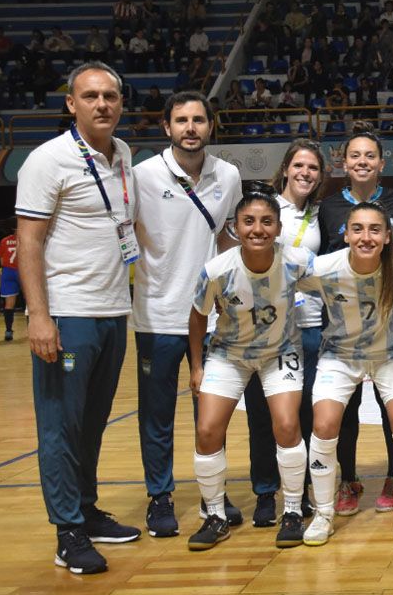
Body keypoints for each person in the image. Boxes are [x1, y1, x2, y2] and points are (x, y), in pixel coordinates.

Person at [16, 62, 142, 574]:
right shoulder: (48, 160)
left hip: (114, 311)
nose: (102, 104)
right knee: (60, 427)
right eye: (90, 96)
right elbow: (29, 241)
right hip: (68, 313)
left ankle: (86, 510)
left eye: (110, 95)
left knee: (91, 423)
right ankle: (67, 530)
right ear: (71, 104)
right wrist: (40, 317)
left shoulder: (124, 153)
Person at [132, 91, 241, 538]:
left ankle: (212, 493)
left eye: (198, 120)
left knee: (212, 414)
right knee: (156, 414)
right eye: (181, 120)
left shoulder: (228, 174)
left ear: (210, 126)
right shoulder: (141, 176)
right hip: (156, 316)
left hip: (213, 320)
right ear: (166, 127)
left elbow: (226, 238)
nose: (190, 128)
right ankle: (160, 497)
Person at [186, 185, 316, 551]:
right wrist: (196, 366)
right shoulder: (217, 269)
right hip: (228, 354)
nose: (257, 229)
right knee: (208, 429)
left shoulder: (297, 261)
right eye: (248, 222)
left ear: (277, 228)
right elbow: (197, 318)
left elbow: (335, 284)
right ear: (236, 227)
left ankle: (291, 511)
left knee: (288, 425)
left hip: (280, 352)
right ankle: (214, 515)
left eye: (266, 222)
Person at [296, 203, 393, 543]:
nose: (366, 237)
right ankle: (323, 513)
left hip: (389, 353)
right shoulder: (322, 267)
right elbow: (280, 277)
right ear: (346, 234)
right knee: (322, 424)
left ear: (387, 236)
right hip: (340, 354)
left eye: (375, 230)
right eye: (359, 229)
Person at [237, 139, 326, 529]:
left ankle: (299, 490)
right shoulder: (267, 209)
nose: (305, 173)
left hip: (308, 326)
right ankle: (264, 492)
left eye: (313, 168)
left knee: (303, 413)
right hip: (264, 329)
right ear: (286, 168)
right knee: (261, 414)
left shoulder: (318, 213)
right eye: (299, 166)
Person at [316, 129, 393, 516]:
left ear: (381, 164)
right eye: (355, 156)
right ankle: (347, 478)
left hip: (388, 319)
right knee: (345, 407)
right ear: (344, 162)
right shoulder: (329, 206)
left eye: (370, 156)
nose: (363, 162)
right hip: (343, 324)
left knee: (392, 407)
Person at [0, 225, 18, 341]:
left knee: (9, 304)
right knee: (31, 302)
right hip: (24, 271)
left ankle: (8, 331)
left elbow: (1, 260)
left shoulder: (4, 241)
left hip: (8, 272)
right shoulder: (26, 239)